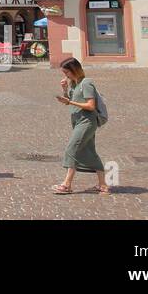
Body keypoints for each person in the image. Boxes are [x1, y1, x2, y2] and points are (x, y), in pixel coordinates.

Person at [53, 57, 109, 195]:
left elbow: (91, 106)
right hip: (78, 121)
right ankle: (103, 185)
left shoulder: (86, 83)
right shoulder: (74, 83)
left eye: (67, 72)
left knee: (71, 149)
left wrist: (69, 102)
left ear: (74, 69)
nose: (65, 75)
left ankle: (67, 184)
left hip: (87, 122)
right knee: (90, 151)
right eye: (64, 73)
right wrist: (65, 90)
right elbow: (71, 100)